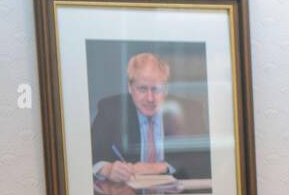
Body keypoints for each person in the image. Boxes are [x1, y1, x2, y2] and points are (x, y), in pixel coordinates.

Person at [90, 52, 212, 185]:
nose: (150, 98)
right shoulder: (111, 110)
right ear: (130, 88)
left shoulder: (189, 111)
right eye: (142, 89)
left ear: (166, 89)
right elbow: (90, 155)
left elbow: (205, 161)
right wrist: (107, 169)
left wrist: (162, 167)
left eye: (156, 89)